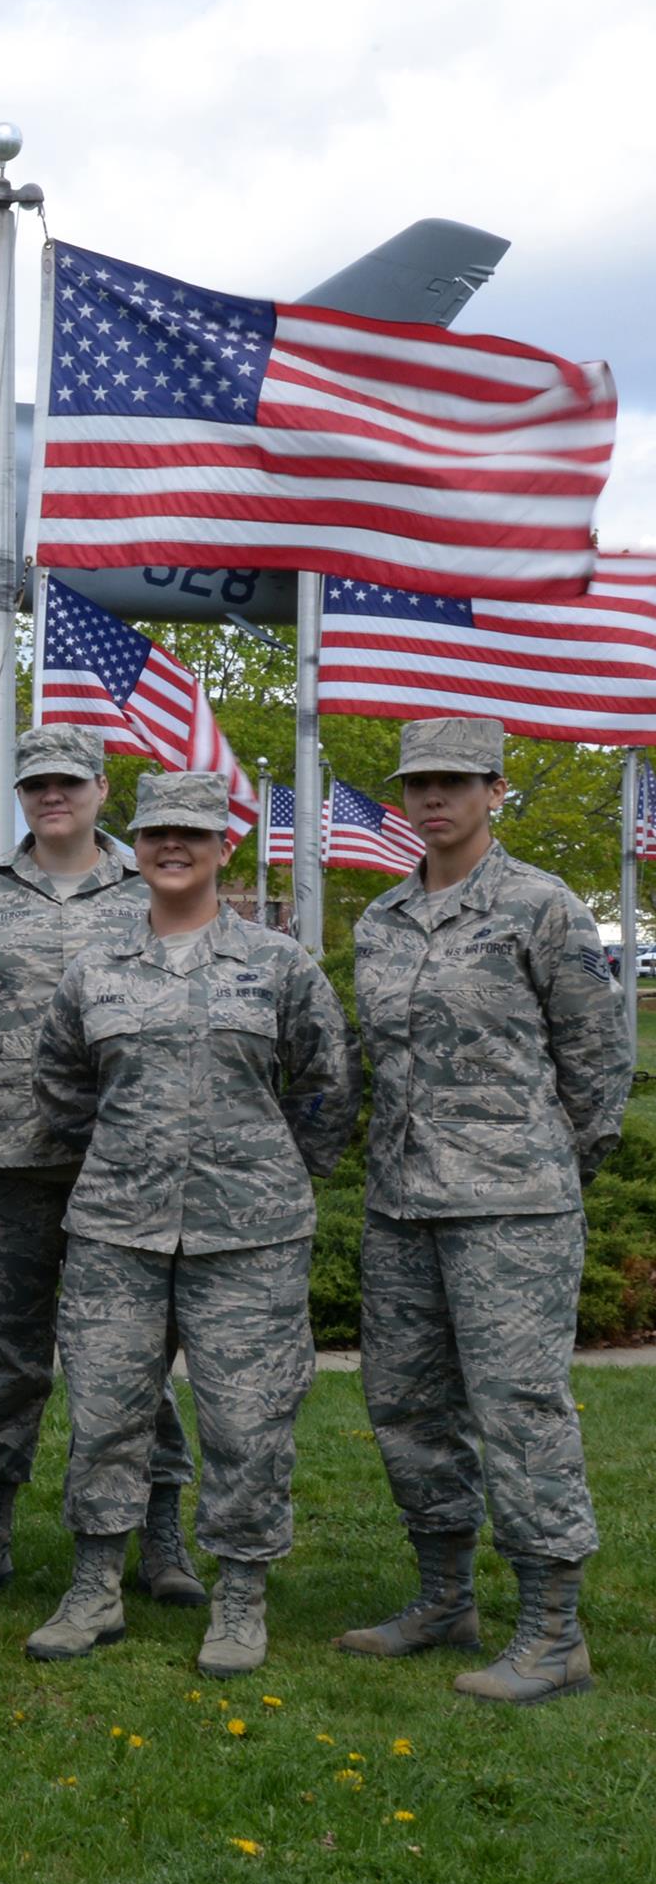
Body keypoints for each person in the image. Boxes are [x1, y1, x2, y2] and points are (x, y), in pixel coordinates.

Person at [27, 770, 356, 1678]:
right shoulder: (95, 968)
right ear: (139, 843)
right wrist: (123, 1159)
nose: (174, 847)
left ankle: (241, 1595)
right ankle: (95, 1587)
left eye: (193, 834)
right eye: (158, 833)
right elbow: (60, 1085)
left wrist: (270, 1171)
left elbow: (327, 1086)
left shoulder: (277, 964)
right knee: (103, 1416)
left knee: (248, 1424)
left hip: (248, 1237)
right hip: (117, 1235)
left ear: (224, 847)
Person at [338, 716, 626, 1704]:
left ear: (495, 789)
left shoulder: (541, 906)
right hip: (401, 1201)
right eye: (418, 781)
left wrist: (548, 1161)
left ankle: (553, 1631)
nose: (433, 797)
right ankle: (442, 1596)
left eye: (455, 780)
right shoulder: (380, 919)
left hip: (512, 1205)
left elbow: (596, 1057)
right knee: (406, 1404)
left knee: (517, 1407)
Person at [0, 724, 201, 1604]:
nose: (54, 796)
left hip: (123, 1167)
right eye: (37, 782)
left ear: (100, 786)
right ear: (21, 791)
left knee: (132, 1361)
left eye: (69, 781)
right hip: (2, 1163)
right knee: (1, 1356)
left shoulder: (150, 887)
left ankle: (161, 1536)